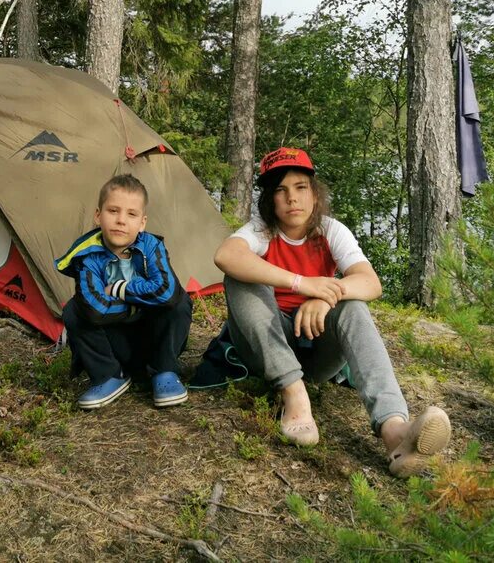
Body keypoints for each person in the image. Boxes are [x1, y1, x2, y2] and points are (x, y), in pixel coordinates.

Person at [213, 147, 452, 477]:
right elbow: (226, 256)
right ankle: (294, 395)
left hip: (317, 354)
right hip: (266, 349)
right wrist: (302, 284)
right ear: (269, 199)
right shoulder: (261, 230)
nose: (291, 198)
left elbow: (370, 283)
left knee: (351, 303)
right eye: (280, 190)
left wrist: (326, 296)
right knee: (239, 279)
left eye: (300, 187)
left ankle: (395, 432)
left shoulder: (330, 230)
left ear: (314, 192)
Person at [56, 174, 193, 411]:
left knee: (180, 301)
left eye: (131, 214)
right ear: (98, 216)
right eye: (113, 211)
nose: (121, 221)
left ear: (142, 222)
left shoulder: (152, 246)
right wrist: (138, 305)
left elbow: (166, 292)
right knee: (74, 309)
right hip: (115, 344)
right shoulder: (87, 254)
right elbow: (94, 308)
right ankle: (108, 376)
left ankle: (164, 372)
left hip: (152, 341)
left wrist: (120, 289)